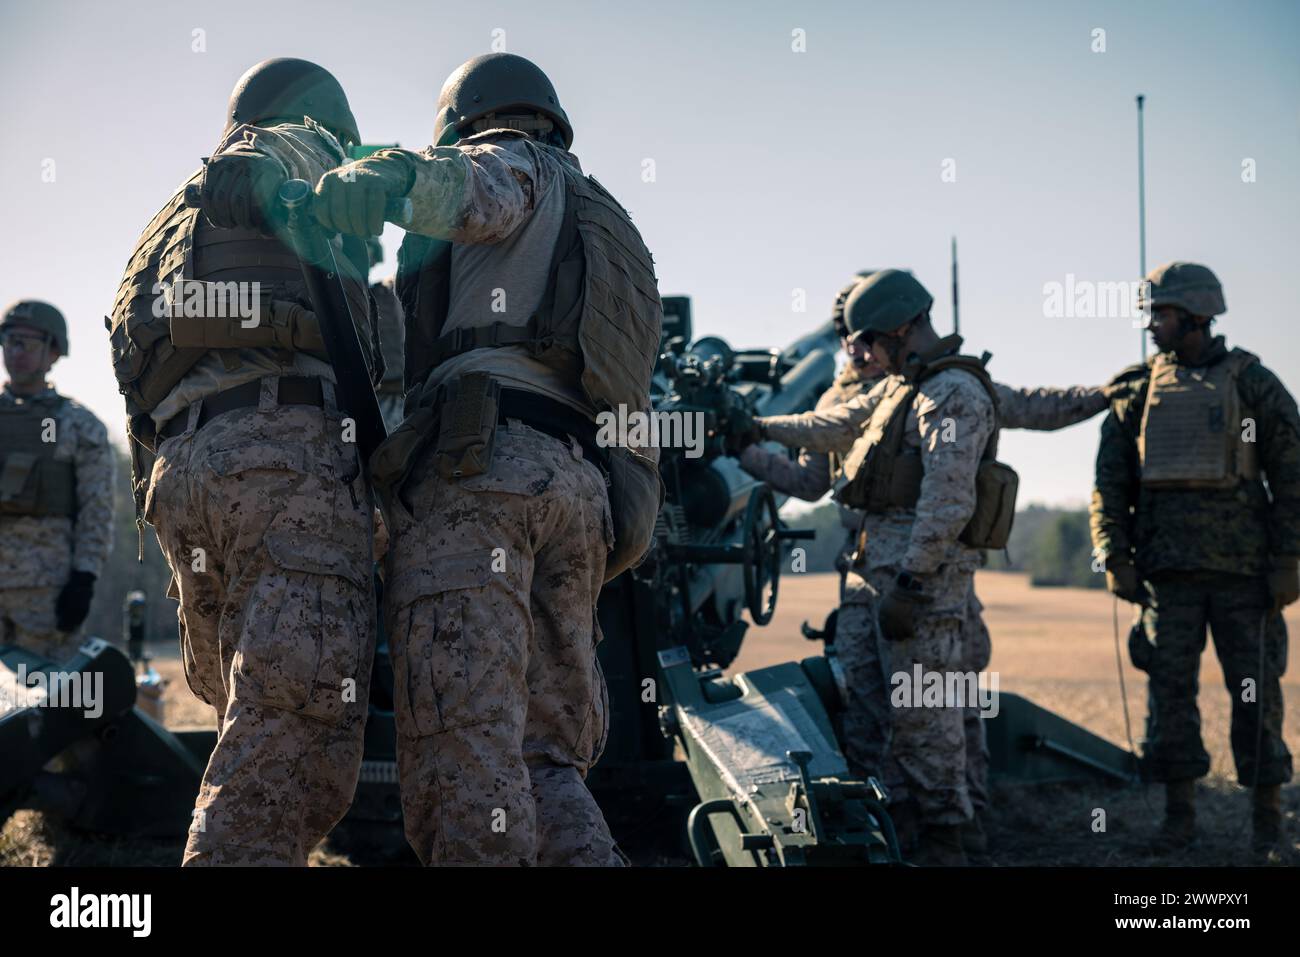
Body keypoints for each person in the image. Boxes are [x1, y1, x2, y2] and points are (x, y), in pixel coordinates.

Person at [314, 53, 663, 866]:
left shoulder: (511, 161)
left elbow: (468, 191)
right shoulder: (615, 230)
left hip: (483, 474)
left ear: (466, 122)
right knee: (546, 757)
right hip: (580, 487)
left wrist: (380, 179)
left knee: (461, 753)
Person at [737, 269, 1108, 863]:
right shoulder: (900, 386)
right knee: (880, 711)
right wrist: (755, 429)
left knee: (926, 717)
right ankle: (901, 829)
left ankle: (950, 839)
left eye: (869, 343)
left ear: (902, 329)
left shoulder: (952, 394)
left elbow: (949, 501)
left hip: (919, 586)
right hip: (875, 579)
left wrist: (911, 584)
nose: (860, 355)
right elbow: (837, 424)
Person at [107, 57, 379, 866]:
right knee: (288, 749)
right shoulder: (294, 145)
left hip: (186, 474)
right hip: (282, 461)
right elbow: (274, 155)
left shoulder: (165, 222)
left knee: (247, 722)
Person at [1090, 261, 1298, 857]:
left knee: (1255, 695)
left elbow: (1292, 474)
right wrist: (1115, 556)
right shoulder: (1137, 391)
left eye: (1161, 313)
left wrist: (1289, 558)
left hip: (1246, 577)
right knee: (1169, 699)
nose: (1151, 325)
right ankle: (1178, 820)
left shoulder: (1254, 385)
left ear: (1196, 317)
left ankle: (1266, 823)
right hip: (1166, 580)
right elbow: (1110, 484)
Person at [0, 300, 114, 661]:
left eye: (28, 344)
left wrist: (84, 577)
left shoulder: (78, 425)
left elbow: (97, 509)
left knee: (46, 706)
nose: (16, 353)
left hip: (45, 593)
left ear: (53, 353)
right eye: (10, 341)